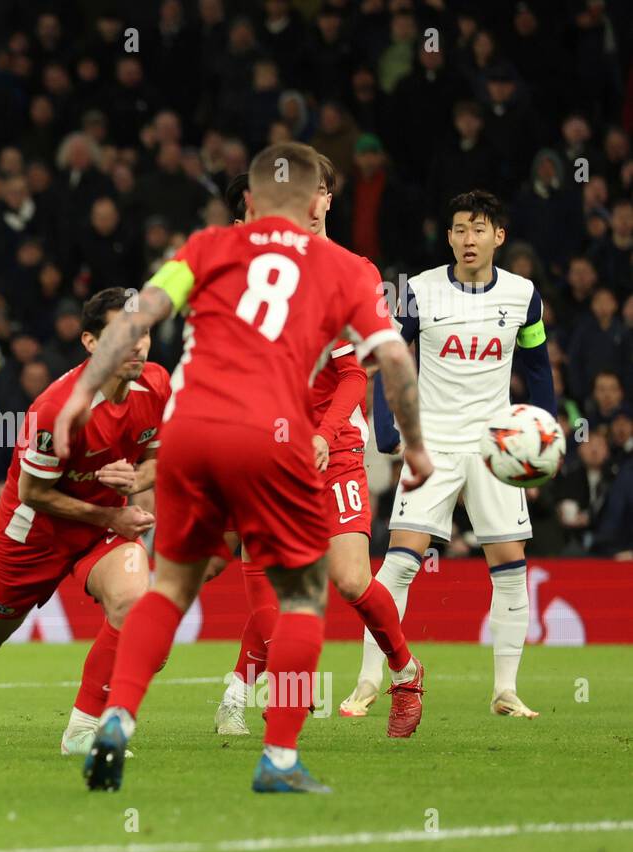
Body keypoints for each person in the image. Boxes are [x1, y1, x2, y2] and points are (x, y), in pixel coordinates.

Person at [54, 143, 429, 793]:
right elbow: (392, 361)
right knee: (303, 596)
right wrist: (416, 449)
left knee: (171, 587)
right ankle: (279, 759)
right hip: (272, 439)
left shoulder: (203, 249)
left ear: (249, 203)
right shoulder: (348, 269)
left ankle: (116, 718)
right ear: (317, 200)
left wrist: (80, 394)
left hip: (192, 432)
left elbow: (136, 317)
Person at [216, 153, 424, 740]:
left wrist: (323, 435)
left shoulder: (354, 273)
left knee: (351, 579)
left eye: (314, 192)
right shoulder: (263, 279)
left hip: (333, 446)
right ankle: (280, 712)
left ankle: (406, 674)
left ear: (328, 199)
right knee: (274, 591)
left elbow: (359, 371)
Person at [0, 287, 169, 757]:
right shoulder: (58, 410)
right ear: (91, 343)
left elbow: (158, 460)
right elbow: (34, 493)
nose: (138, 344)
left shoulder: (155, 385)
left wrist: (134, 479)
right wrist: (112, 510)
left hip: (104, 526)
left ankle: (82, 731)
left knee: (134, 607)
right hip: (36, 529)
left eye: (145, 332)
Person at [363, 190, 556, 719]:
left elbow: (537, 368)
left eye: (478, 229)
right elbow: (390, 360)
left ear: (499, 236)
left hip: (497, 446)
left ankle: (505, 691)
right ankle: (367, 679)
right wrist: (388, 432)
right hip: (434, 444)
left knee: (510, 567)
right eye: (458, 230)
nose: (468, 239)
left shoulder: (524, 296)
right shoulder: (420, 292)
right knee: (399, 561)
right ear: (448, 237)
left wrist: (545, 432)